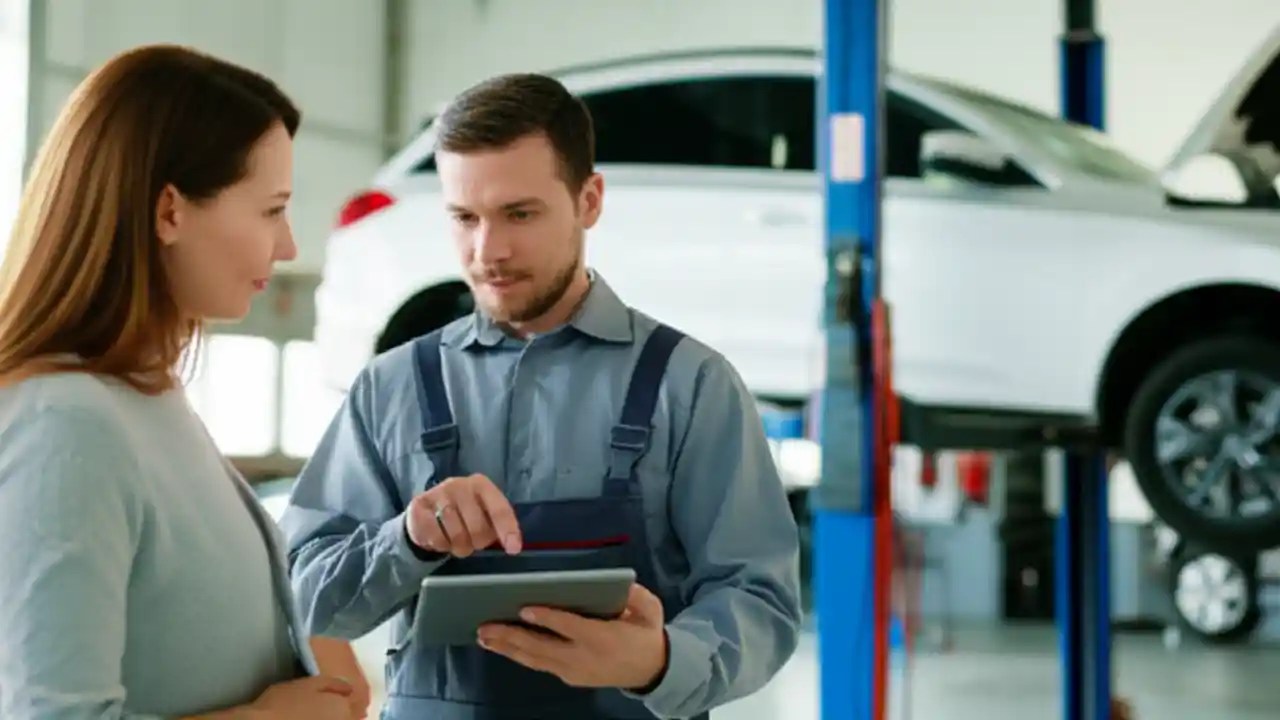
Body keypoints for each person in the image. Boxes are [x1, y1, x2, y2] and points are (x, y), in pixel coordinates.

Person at [281, 72, 803, 719]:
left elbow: (761, 598)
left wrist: (660, 659)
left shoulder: (691, 384)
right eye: (464, 217)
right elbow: (302, 595)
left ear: (589, 200)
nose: (487, 250)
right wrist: (406, 541)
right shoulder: (391, 388)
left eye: (519, 214)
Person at [0, 45, 368, 720]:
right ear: (170, 211)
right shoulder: (66, 422)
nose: (286, 246)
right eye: (271, 209)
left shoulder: (148, 398)